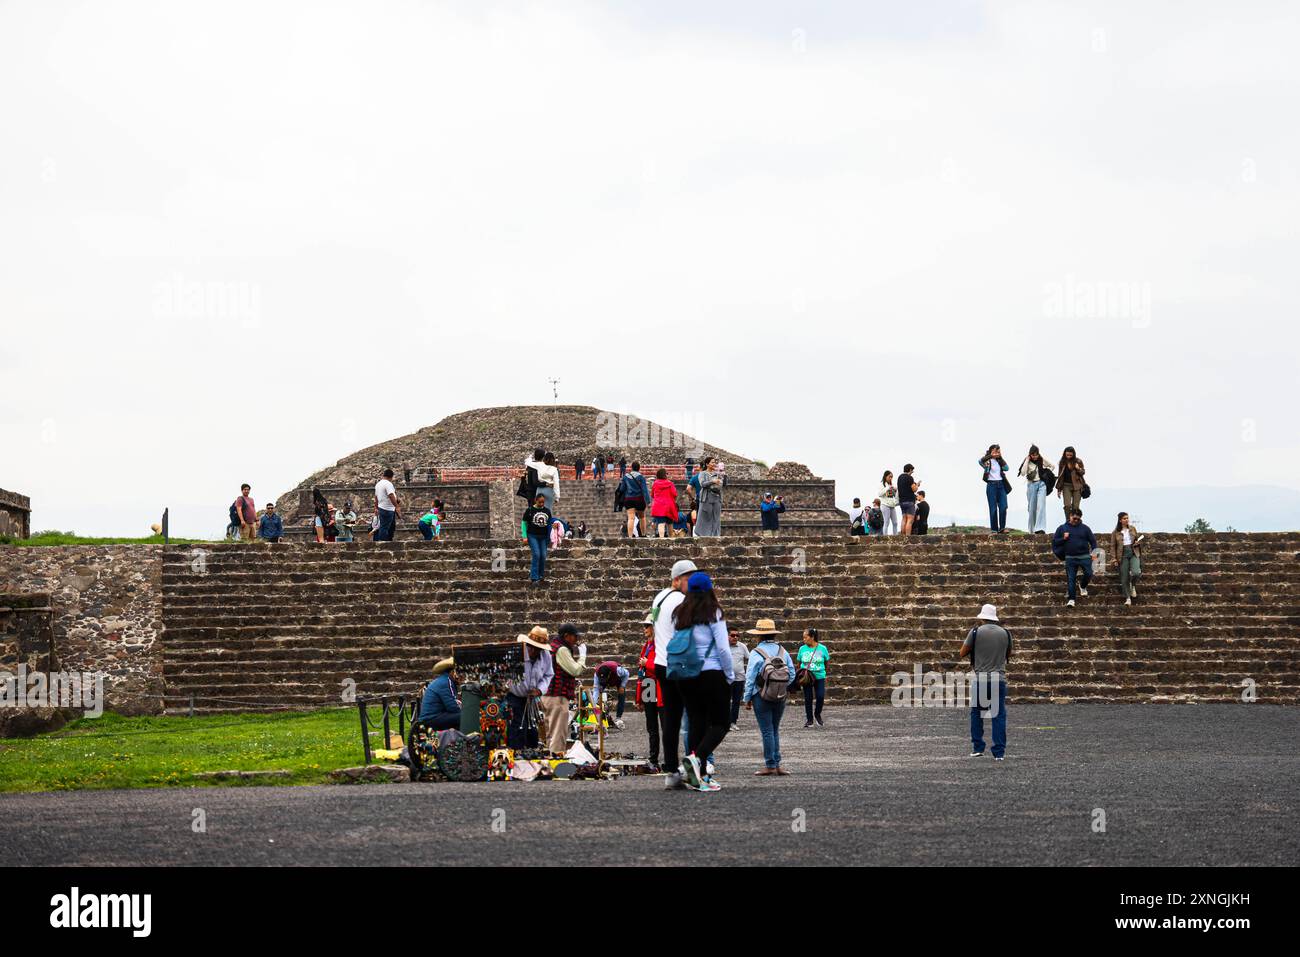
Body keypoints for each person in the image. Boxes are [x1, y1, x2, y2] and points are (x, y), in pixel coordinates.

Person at [671, 572, 734, 792]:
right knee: (720, 723)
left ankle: (701, 776)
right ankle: (696, 760)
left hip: (686, 676)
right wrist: (729, 675)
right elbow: (724, 648)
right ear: (709, 590)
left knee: (697, 723)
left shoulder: (679, 613)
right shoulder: (713, 612)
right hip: (711, 672)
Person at [652, 558, 696, 789]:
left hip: (661, 663)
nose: (692, 582)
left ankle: (671, 770)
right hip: (678, 664)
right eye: (688, 578)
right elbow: (688, 632)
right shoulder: (680, 600)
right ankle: (696, 767)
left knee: (671, 719)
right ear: (676, 580)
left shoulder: (659, 597)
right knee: (696, 717)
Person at [743, 619, 796, 775]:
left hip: (761, 696)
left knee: (767, 731)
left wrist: (748, 698)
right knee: (774, 730)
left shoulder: (756, 652)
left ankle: (770, 765)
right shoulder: (782, 651)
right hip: (780, 696)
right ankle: (777, 764)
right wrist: (780, 687)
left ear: (759, 636)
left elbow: (750, 677)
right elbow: (792, 674)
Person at [960, 604, 1011, 760]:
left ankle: (978, 747)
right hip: (999, 679)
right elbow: (1009, 654)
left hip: (981, 678)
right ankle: (999, 753)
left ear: (982, 617)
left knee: (977, 713)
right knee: (998, 715)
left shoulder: (975, 632)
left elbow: (962, 653)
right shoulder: (1005, 633)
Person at [541, 623, 587, 755]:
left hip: (548, 695)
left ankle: (551, 762)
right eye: (574, 637)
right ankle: (557, 765)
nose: (576, 640)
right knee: (558, 734)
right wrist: (582, 656)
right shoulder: (561, 650)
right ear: (566, 636)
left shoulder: (553, 646)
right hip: (557, 696)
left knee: (550, 734)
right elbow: (575, 670)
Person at [507, 629, 553, 749]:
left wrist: (539, 690)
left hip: (532, 698)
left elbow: (548, 675)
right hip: (515, 697)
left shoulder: (545, 656)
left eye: (537, 649)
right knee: (518, 726)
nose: (533, 651)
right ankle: (515, 753)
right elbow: (506, 673)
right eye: (531, 647)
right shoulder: (516, 653)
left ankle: (531, 753)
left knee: (532, 728)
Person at [1053, 508, 1098, 607]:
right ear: (1070, 516)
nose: (1076, 521)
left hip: (1085, 556)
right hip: (1070, 557)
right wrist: (1063, 538)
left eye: (1078, 519)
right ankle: (1071, 599)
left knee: (1089, 573)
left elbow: (1093, 541)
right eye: (1074, 519)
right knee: (1071, 578)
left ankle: (1082, 586)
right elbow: (1055, 542)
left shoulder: (1085, 528)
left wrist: (1094, 553)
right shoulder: (1062, 528)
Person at [635, 613, 662, 771]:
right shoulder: (647, 645)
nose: (644, 628)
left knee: (665, 725)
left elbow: (662, 666)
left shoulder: (660, 644)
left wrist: (648, 663)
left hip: (659, 685)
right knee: (651, 726)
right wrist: (639, 698)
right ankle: (653, 758)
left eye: (647, 626)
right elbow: (641, 672)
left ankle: (668, 759)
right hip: (648, 685)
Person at [797, 628, 831, 727]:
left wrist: (824, 671)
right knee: (808, 698)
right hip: (807, 677)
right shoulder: (802, 649)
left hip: (819, 676)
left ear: (812, 637)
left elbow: (826, 662)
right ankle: (809, 720)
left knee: (820, 696)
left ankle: (817, 714)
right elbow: (799, 663)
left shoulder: (822, 648)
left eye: (805, 637)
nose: (804, 639)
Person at [417, 658, 460, 730]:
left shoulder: (443, 679)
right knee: (465, 717)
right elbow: (452, 707)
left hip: (432, 717)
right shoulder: (447, 681)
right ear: (453, 672)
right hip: (431, 718)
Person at [1111, 512, 1144, 605]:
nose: (1126, 520)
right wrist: (1114, 559)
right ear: (1120, 520)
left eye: (1127, 518)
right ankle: (1128, 598)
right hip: (1122, 555)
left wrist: (1137, 543)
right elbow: (1112, 547)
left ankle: (1133, 585)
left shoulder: (1133, 528)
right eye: (1124, 518)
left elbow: (1137, 540)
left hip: (1133, 552)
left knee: (1136, 572)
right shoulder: (1115, 532)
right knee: (1124, 577)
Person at [1018, 445, 1050, 534]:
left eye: (1036, 454)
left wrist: (1046, 473)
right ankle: (1032, 530)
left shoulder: (1041, 459)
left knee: (1041, 506)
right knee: (1032, 508)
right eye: (1033, 455)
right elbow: (1023, 473)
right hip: (1031, 485)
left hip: (1042, 484)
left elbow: (1052, 466)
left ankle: (1040, 528)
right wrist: (1027, 460)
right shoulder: (1027, 461)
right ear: (1030, 454)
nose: (1035, 456)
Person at [979, 444, 1010, 533]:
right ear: (991, 451)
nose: (997, 453)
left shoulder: (999, 461)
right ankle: (994, 529)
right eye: (996, 451)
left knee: (1003, 507)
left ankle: (1002, 528)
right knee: (993, 508)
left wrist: (1000, 458)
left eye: (999, 451)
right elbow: (980, 461)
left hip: (1001, 485)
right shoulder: (987, 461)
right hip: (991, 485)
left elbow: (1007, 468)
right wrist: (990, 456)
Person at [522, 493, 553, 585]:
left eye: (543, 502)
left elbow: (550, 523)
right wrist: (524, 536)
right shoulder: (530, 510)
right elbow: (524, 523)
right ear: (536, 500)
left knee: (543, 555)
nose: (542, 504)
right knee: (536, 554)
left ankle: (540, 575)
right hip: (532, 535)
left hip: (543, 537)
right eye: (540, 502)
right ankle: (534, 577)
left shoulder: (547, 511)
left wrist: (554, 527)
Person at [591, 660, 630, 728]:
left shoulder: (618, 670)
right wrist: (593, 705)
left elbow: (627, 673)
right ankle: (597, 716)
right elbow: (595, 690)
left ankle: (618, 717)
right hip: (603, 682)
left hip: (618, 679)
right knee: (596, 697)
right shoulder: (597, 675)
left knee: (621, 695)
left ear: (609, 674)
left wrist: (622, 686)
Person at [619, 461, 650, 538]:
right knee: (642, 517)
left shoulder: (626, 477)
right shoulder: (641, 477)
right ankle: (643, 534)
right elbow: (644, 490)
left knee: (631, 518)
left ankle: (630, 536)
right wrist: (648, 501)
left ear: (631, 468)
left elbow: (622, 489)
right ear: (639, 468)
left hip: (629, 499)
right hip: (639, 499)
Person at [694, 459, 724, 537]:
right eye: (712, 462)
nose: (714, 464)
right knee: (705, 517)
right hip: (706, 498)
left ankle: (715, 535)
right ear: (707, 464)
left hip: (717, 498)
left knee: (716, 518)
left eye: (715, 462)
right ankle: (705, 535)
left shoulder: (717, 474)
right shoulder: (702, 473)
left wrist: (724, 476)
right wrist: (713, 481)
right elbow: (702, 484)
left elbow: (723, 485)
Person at [1056, 446, 1087, 520]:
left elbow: (1083, 472)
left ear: (1073, 454)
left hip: (1077, 486)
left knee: (1075, 507)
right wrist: (1059, 489)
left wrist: (1078, 468)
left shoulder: (1078, 461)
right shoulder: (1062, 462)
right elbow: (1060, 476)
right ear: (1065, 454)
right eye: (1067, 455)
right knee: (1067, 505)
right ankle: (1068, 521)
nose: (1069, 456)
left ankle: (1075, 521)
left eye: (1070, 455)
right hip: (1066, 485)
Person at [728, 631, 749, 729]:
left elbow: (749, 658)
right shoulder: (723, 646)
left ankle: (733, 722)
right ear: (727, 636)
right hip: (726, 679)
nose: (735, 637)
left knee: (736, 701)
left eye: (737, 636)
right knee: (725, 701)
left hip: (739, 678)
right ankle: (725, 722)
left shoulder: (742, 647)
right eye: (732, 635)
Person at [650, 468, 678, 538]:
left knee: (660, 523)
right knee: (670, 523)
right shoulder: (670, 483)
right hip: (669, 505)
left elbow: (652, 495)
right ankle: (671, 538)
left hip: (658, 505)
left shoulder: (655, 484)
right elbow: (675, 494)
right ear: (664, 475)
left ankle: (661, 539)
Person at [374, 468, 400, 541]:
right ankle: (383, 544)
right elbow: (391, 495)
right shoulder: (388, 483)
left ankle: (388, 541)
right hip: (387, 509)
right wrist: (397, 506)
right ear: (391, 476)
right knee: (384, 527)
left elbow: (376, 497)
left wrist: (376, 508)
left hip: (381, 508)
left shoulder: (378, 484)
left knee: (389, 526)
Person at [897, 465, 920, 535]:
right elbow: (914, 489)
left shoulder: (899, 477)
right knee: (910, 520)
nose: (912, 472)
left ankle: (902, 537)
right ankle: (907, 538)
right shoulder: (910, 478)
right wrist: (917, 485)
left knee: (904, 519)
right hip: (909, 501)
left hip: (901, 501)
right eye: (912, 470)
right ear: (909, 469)